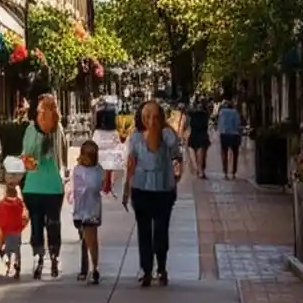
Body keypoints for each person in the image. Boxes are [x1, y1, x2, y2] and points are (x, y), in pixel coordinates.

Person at [122, 100, 183, 287]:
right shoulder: (136, 138)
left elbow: (176, 154)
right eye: (147, 116)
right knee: (144, 231)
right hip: (141, 190)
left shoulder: (167, 135)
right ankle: (146, 269)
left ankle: (161, 268)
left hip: (163, 190)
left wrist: (176, 176)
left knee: (161, 231)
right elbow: (131, 164)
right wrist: (126, 189)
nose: (151, 120)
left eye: (156, 117)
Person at [21, 94, 67, 279]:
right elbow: (26, 155)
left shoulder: (56, 131)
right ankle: (42, 257)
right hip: (38, 186)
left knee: (47, 224)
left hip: (48, 186)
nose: (42, 114)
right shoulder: (32, 130)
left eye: (45, 110)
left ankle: (49, 257)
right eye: (41, 111)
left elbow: (61, 154)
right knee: (43, 223)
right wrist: (29, 162)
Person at [70, 141, 111, 285]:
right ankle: (86, 268)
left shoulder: (98, 170)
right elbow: (76, 190)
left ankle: (94, 268)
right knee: (85, 240)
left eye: (91, 155)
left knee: (91, 240)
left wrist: (107, 179)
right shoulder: (77, 170)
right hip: (80, 211)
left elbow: (97, 186)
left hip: (92, 210)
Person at [0, 184, 28, 279]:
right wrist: (22, 225)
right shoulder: (20, 203)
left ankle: (7, 265)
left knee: (6, 250)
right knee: (17, 251)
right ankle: (17, 267)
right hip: (17, 232)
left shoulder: (1, 204)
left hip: (6, 232)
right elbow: (25, 217)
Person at [216, 99, 243, 180]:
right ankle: (234, 172)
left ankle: (225, 173)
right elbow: (238, 124)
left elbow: (219, 124)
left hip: (224, 135)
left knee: (224, 153)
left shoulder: (222, 112)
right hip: (235, 135)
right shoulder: (235, 112)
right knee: (235, 155)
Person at [186, 100, 212, 179]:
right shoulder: (205, 115)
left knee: (196, 154)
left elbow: (187, 111)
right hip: (201, 137)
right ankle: (200, 170)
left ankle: (199, 169)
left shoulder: (193, 114)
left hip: (195, 136)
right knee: (201, 155)